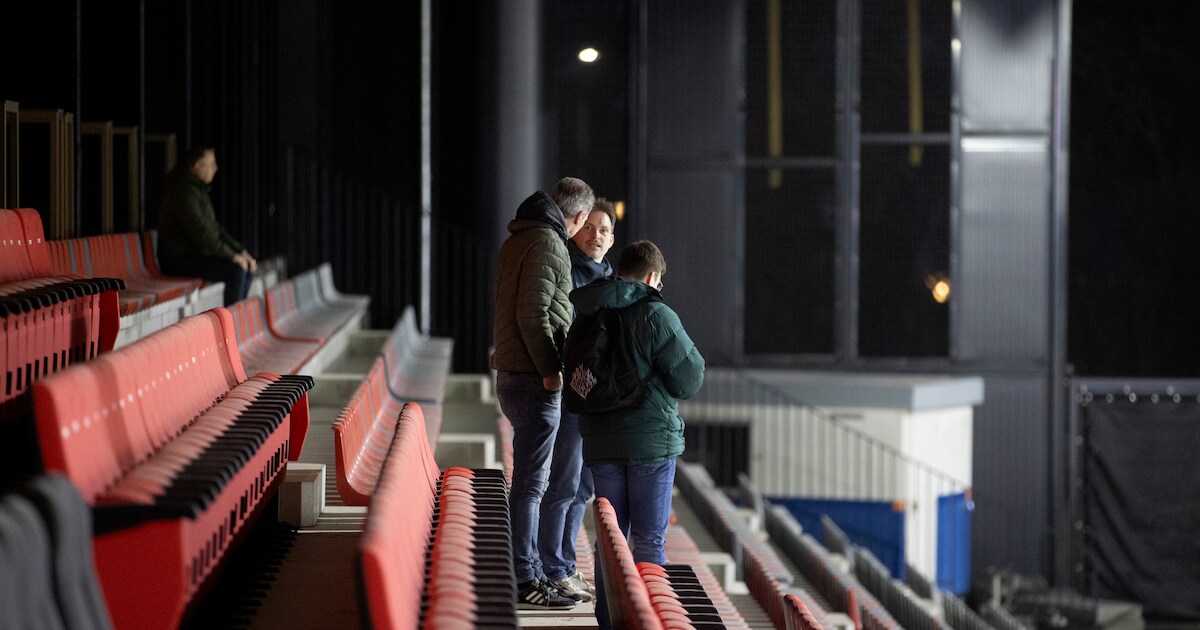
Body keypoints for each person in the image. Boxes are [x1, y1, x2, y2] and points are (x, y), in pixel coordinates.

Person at [569, 240, 705, 629]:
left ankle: (608, 622)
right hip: (651, 441)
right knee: (649, 538)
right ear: (651, 277)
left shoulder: (588, 308)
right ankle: (645, 624)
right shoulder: (656, 314)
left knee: (610, 538)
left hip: (601, 438)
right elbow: (688, 378)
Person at [491, 176, 593, 610]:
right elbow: (533, 313)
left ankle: (529, 570)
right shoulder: (550, 243)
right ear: (580, 217)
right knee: (533, 485)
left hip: (514, 373)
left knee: (531, 483)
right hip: (533, 377)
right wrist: (552, 371)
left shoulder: (520, 236)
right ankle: (527, 577)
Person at [538, 198, 617, 601]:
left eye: (604, 230)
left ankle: (566, 566)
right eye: (591, 227)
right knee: (563, 484)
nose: (596, 235)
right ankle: (550, 568)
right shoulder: (567, 272)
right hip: (571, 397)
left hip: (597, 402)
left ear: (612, 239)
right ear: (579, 227)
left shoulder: (611, 283)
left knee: (584, 488)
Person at [156, 147, 257, 305]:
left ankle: (235, 321)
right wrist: (231, 256)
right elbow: (201, 232)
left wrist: (240, 251)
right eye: (211, 163)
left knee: (247, 267)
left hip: (194, 255)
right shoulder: (184, 191)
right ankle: (231, 326)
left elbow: (215, 229)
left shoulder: (197, 189)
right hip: (178, 260)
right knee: (236, 270)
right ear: (196, 166)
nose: (215, 168)